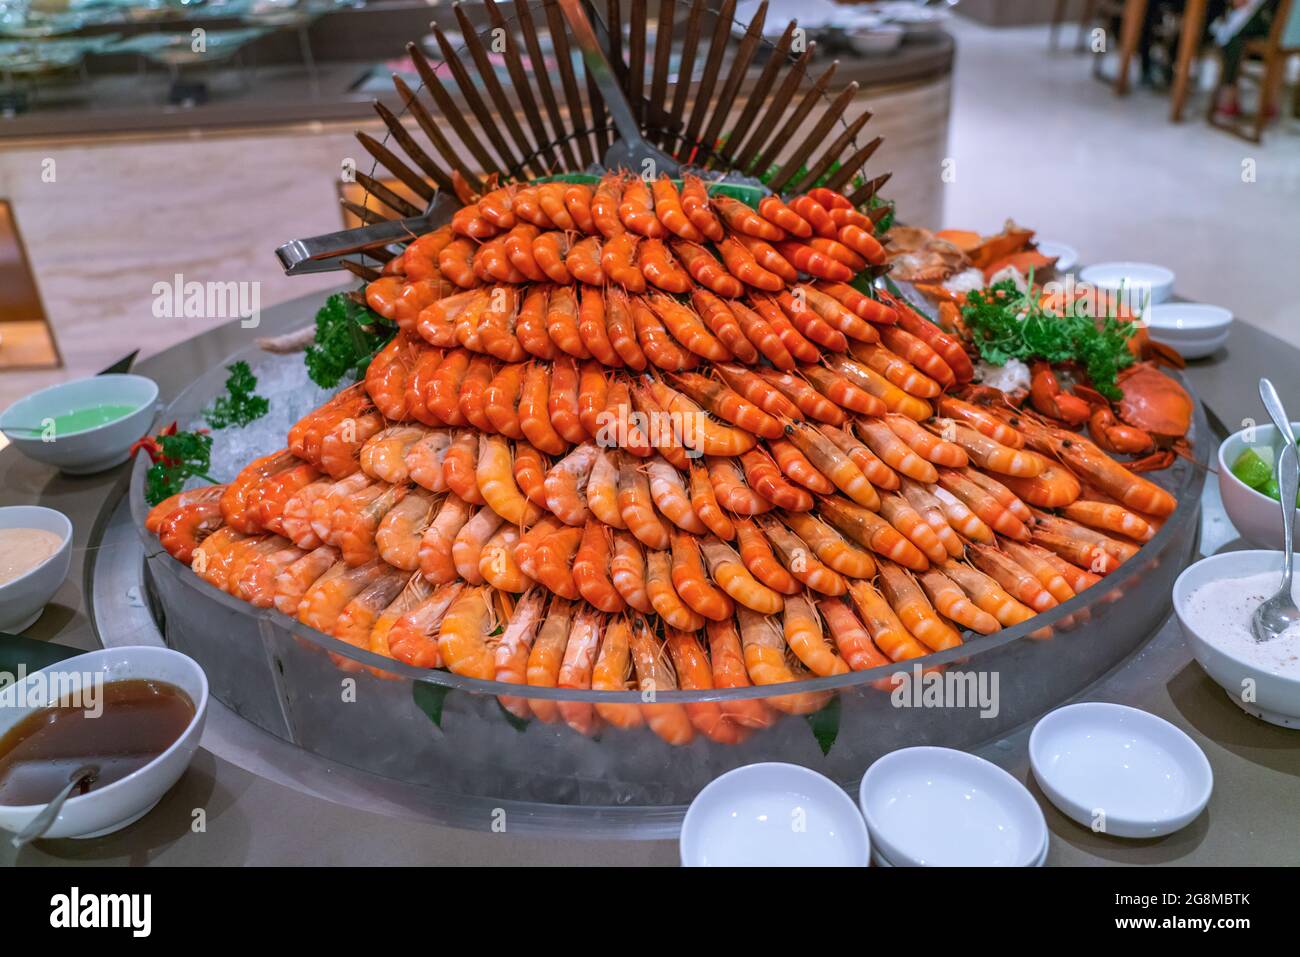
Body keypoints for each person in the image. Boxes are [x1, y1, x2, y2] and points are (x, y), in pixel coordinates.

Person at [1212, 0, 1279, 116]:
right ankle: (1269, 102)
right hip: (1285, 35)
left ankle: (1229, 98)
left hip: (1262, 28)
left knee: (1233, 38)